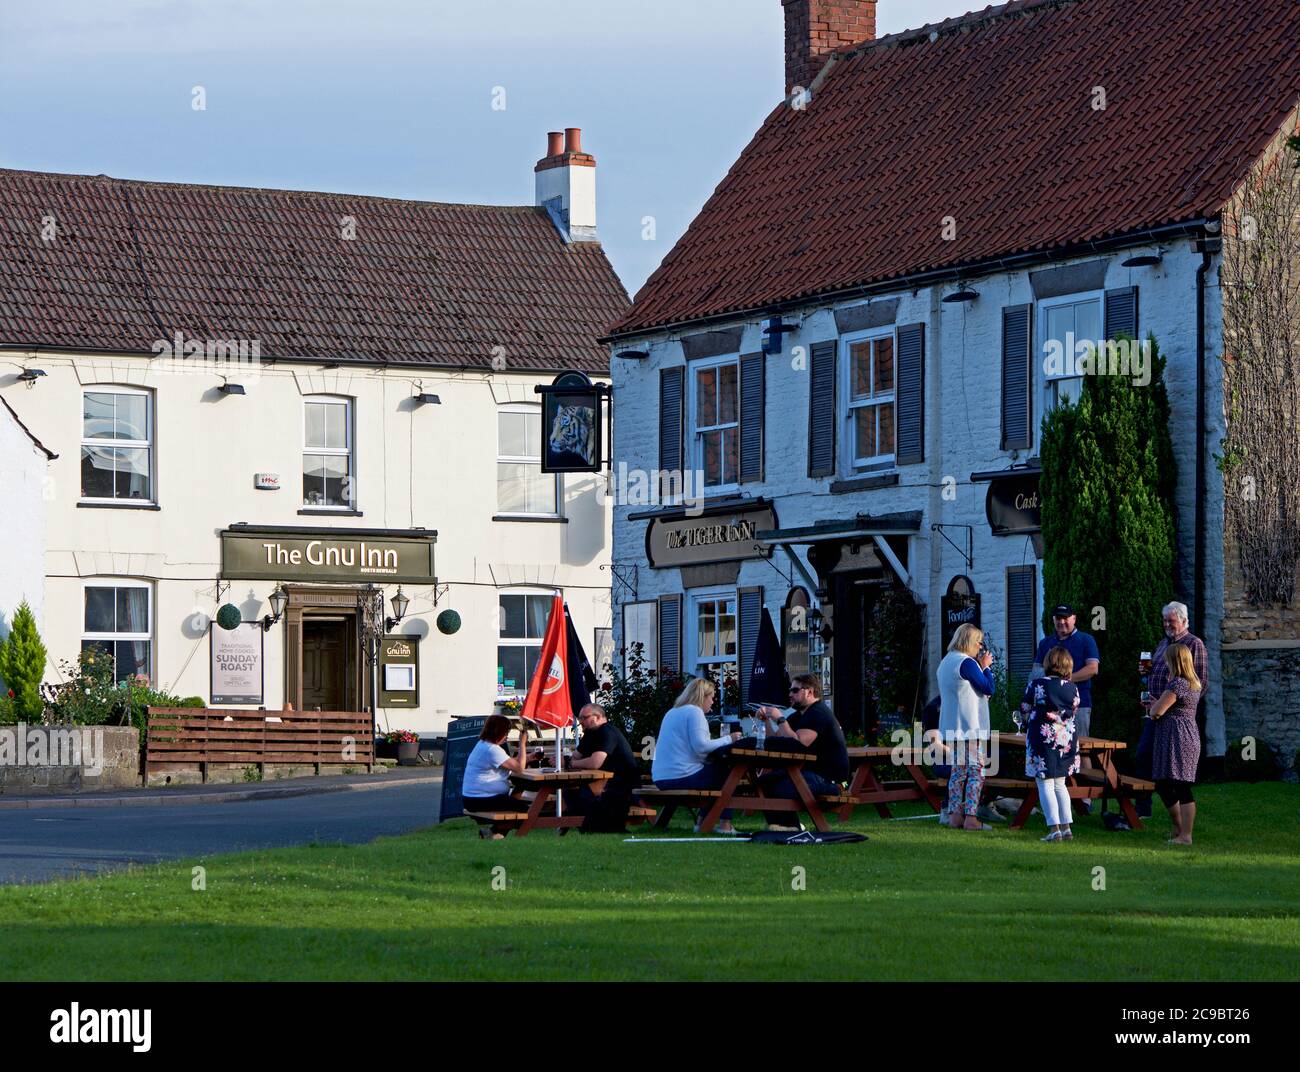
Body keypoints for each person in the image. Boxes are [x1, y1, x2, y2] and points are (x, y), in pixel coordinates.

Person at [1137, 601, 1209, 818]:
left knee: (1174, 773)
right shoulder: (1163, 643)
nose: (1167, 624)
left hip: (1176, 718)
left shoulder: (1193, 644)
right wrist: (1144, 673)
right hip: (1156, 712)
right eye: (1165, 620)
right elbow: (1158, 676)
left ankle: (1180, 826)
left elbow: (1201, 683)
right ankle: (1143, 809)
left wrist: (1174, 704)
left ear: (1184, 621)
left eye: (1172, 620)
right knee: (1144, 758)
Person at [755, 673, 848, 830]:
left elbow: (798, 744)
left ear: (809, 691)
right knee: (764, 782)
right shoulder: (798, 716)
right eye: (790, 690)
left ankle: (788, 825)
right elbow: (778, 740)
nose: (790, 694)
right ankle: (784, 825)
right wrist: (766, 722)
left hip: (831, 781)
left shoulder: (818, 713)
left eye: (795, 690)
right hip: (807, 772)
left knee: (781, 786)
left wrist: (780, 719)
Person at [652, 677, 742, 834]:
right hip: (681, 776)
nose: (713, 702)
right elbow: (701, 746)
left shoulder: (672, 712)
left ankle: (702, 822)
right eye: (712, 697)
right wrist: (730, 739)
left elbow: (691, 749)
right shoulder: (695, 712)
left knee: (713, 774)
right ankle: (724, 825)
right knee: (728, 773)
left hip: (661, 778)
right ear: (703, 696)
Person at [1032, 605, 1100, 812]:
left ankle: (1085, 798)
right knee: (1051, 749)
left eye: (1066, 618)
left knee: (1083, 747)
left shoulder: (1086, 640)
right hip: (1048, 708)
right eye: (1058, 618)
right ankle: (1060, 796)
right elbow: (1036, 672)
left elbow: (1093, 668)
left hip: (1078, 704)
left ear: (1074, 619)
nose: (1062, 622)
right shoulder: (1046, 643)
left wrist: (1065, 681)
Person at [1021, 646, 1082, 842]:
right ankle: (1066, 828)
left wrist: (1026, 721)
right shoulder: (1073, 688)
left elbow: (1024, 707)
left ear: (1048, 664)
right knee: (1060, 784)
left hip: (1043, 738)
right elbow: (1074, 710)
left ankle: (1054, 829)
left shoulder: (1037, 684)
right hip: (1065, 739)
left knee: (1044, 783)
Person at [937, 624, 995, 831]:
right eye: (979, 642)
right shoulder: (967, 662)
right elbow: (988, 687)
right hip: (970, 726)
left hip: (952, 726)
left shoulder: (946, 662)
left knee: (958, 772)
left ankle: (954, 815)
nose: (980, 647)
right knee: (976, 773)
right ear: (969, 641)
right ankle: (971, 818)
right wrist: (986, 666)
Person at [1148, 643, 1203, 845]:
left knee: (1180, 785)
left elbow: (1157, 712)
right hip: (1182, 735)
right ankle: (1179, 829)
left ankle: (1186, 835)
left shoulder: (1178, 683)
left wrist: (1153, 706)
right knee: (1164, 783)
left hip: (1177, 737)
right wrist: (1157, 703)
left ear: (1174, 661)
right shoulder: (1192, 682)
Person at [568, 702, 640, 833]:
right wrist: (568, 761)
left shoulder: (607, 732)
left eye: (584, 717)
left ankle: (589, 825)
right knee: (569, 791)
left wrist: (572, 764)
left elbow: (595, 763)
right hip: (602, 782)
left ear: (598, 717)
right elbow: (576, 756)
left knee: (577, 793)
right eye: (579, 718)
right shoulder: (590, 733)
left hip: (619, 784)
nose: (581, 722)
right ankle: (585, 825)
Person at [462, 713, 531, 839]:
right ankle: (496, 833)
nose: (506, 737)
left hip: (473, 798)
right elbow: (519, 768)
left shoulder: (483, 744)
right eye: (506, 734)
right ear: (498, 732)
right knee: (526, 810)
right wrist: (522, 743)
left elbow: (506, 763)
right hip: (481, 799)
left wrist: (529, 758)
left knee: (516, 804)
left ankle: (494, 834)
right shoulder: (492, 750)